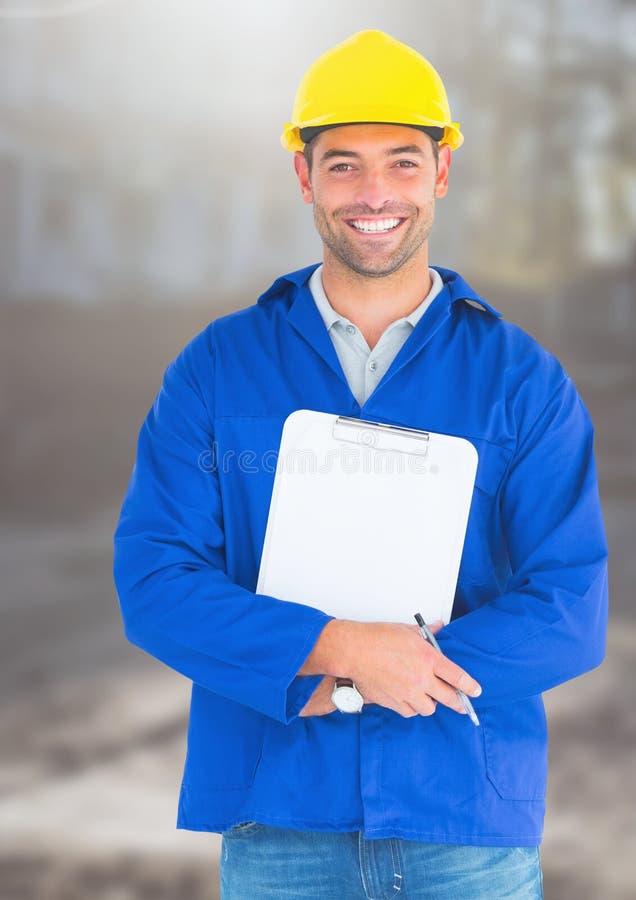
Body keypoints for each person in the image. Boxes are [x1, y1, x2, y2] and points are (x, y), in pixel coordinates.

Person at [113, 29, 608, 899]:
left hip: (463, 827)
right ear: (303, 176)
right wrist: (338, 649)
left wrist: (382, 672)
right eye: (343, 165)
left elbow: (570, 604)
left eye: (402, 163)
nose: (374, 193)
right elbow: (156, 576)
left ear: (442, 172)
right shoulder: (218, 367)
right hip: (280, 823)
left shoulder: (522, 380)